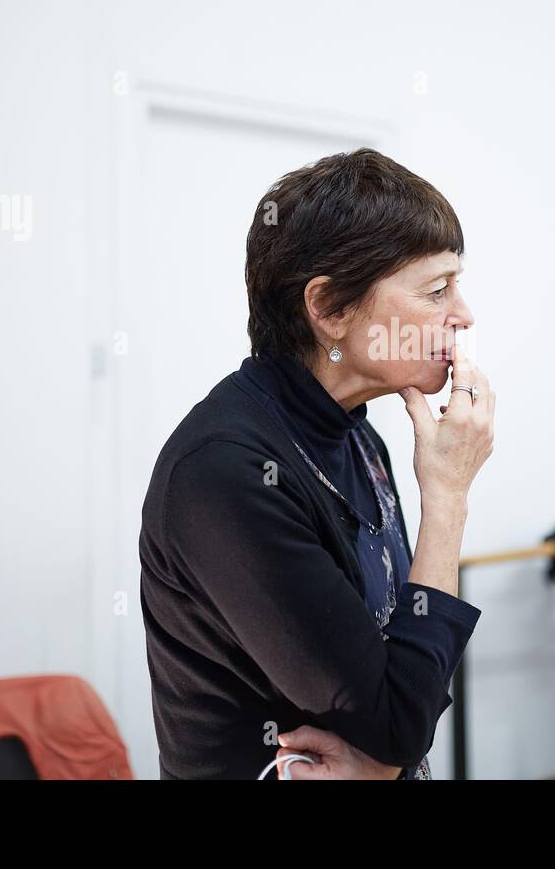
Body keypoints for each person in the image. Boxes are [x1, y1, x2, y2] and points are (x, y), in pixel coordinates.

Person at [139, 149, 495, 779]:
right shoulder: (223, 473)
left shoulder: (357, 434)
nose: (464, 315)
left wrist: (386, 760)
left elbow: (400, 678)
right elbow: (397, 725)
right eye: (437, 290)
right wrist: (447, 498)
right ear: (329, 308)